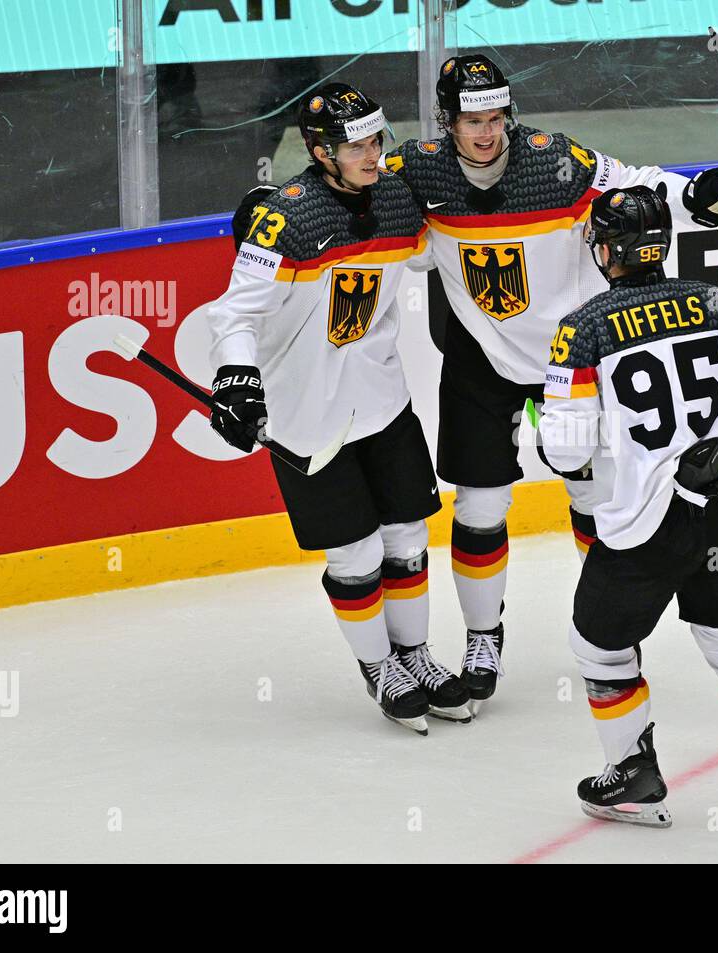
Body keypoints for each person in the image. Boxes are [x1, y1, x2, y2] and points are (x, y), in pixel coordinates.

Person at [383, 54, 718, 714]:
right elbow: (353, 195)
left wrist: (700, 194)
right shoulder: (418, 172)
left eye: (497, 117)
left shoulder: (555, 160)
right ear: (448, 121)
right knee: (479, 506)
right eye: (473, 120)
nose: (487, 132)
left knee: (596, 492)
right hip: (482, 353)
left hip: (577, 349)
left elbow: (637, 187)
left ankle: (605, 621)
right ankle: (482, 635)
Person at [538, 185, 718, 828]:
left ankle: (634, 776)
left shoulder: (582, 329)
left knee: (599, 647)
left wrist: (547, 432)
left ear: (606, 250)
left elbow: (566, 451)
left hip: (645, 517)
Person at [205, 83, 469, 735]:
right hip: (310, 420)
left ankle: (416, 656)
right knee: (353, 554)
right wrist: (236, 374)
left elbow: (434, 252)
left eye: (377, 140)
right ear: (322, 151)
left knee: (407, 539)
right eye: (357, 146)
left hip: (383, 401)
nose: (373, 154)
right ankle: (379, 665)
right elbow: (234, 311)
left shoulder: (394, 201)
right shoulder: (286, 216)